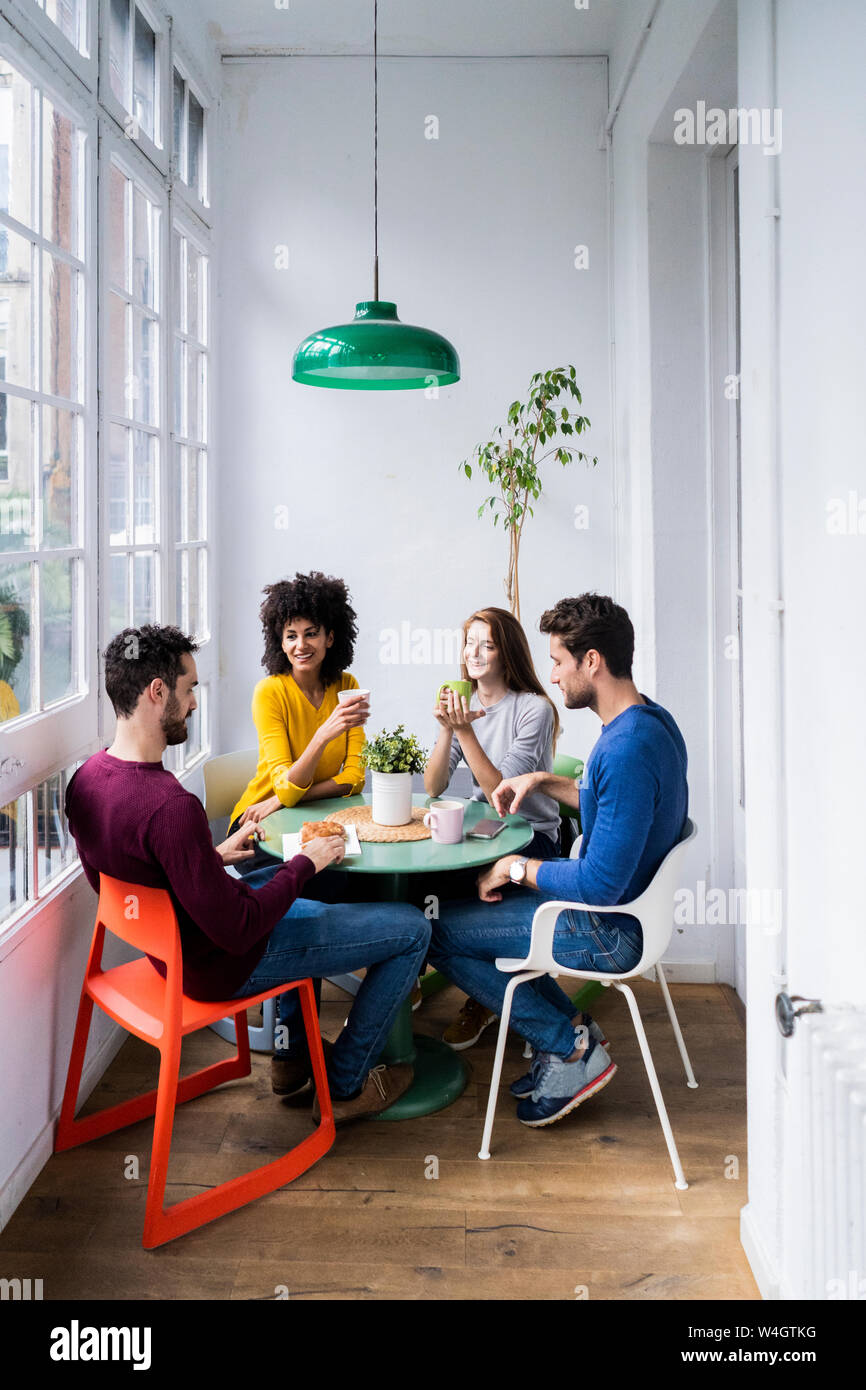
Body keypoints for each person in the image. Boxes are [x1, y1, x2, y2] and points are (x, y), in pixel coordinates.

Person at [65, 624, 429, 1123]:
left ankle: (293, 1058)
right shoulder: (170, 805)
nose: (193, 703)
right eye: (189, 688)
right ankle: (345, 1082)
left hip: (167, 952)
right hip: (222, 963)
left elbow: (133, 877)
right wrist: (308, 861)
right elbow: (239, 927)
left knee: (304, 892)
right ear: (157, 692)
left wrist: (208, 858)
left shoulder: (88, 780)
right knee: (412, 928)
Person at [428, 593, 689, 1128]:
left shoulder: (624, 750)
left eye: (558, 662)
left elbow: (598, 884)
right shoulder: (651, 723)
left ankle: (569, 1050)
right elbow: (620, 807)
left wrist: (516, 869)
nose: (552, 675)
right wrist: (546, 781)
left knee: (433, 930)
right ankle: (572, 1034)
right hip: (631, 915)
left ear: (591, 661)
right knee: (460, 916)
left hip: (609, 931)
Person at [226, 572, 370, 1087]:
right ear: (278, 640)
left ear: (332, 636)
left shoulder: (347, 686)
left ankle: (306, 1037)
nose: (300, 644)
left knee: (351, 883)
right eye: (290, 634)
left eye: (311, 632)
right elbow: (282, 781)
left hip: (301, 816)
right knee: (306, 894)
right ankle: (290, 1041)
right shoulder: (271, 692)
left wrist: (287, 792)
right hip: (255, 828)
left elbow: (353, 780)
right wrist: (326, 735)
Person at [423, 606, 562, 1049]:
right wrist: (447, 730)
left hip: (531, 835)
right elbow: (433, 785)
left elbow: (503, 796)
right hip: (485, 830)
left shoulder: (533, 709)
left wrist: (465, 732)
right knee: (423, 884)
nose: (475, 652)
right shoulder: (467, 706)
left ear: (507, 652)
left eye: (487, 643)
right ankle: (412, 977)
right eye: (470, 643)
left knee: (456, 905)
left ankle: (485, 997)